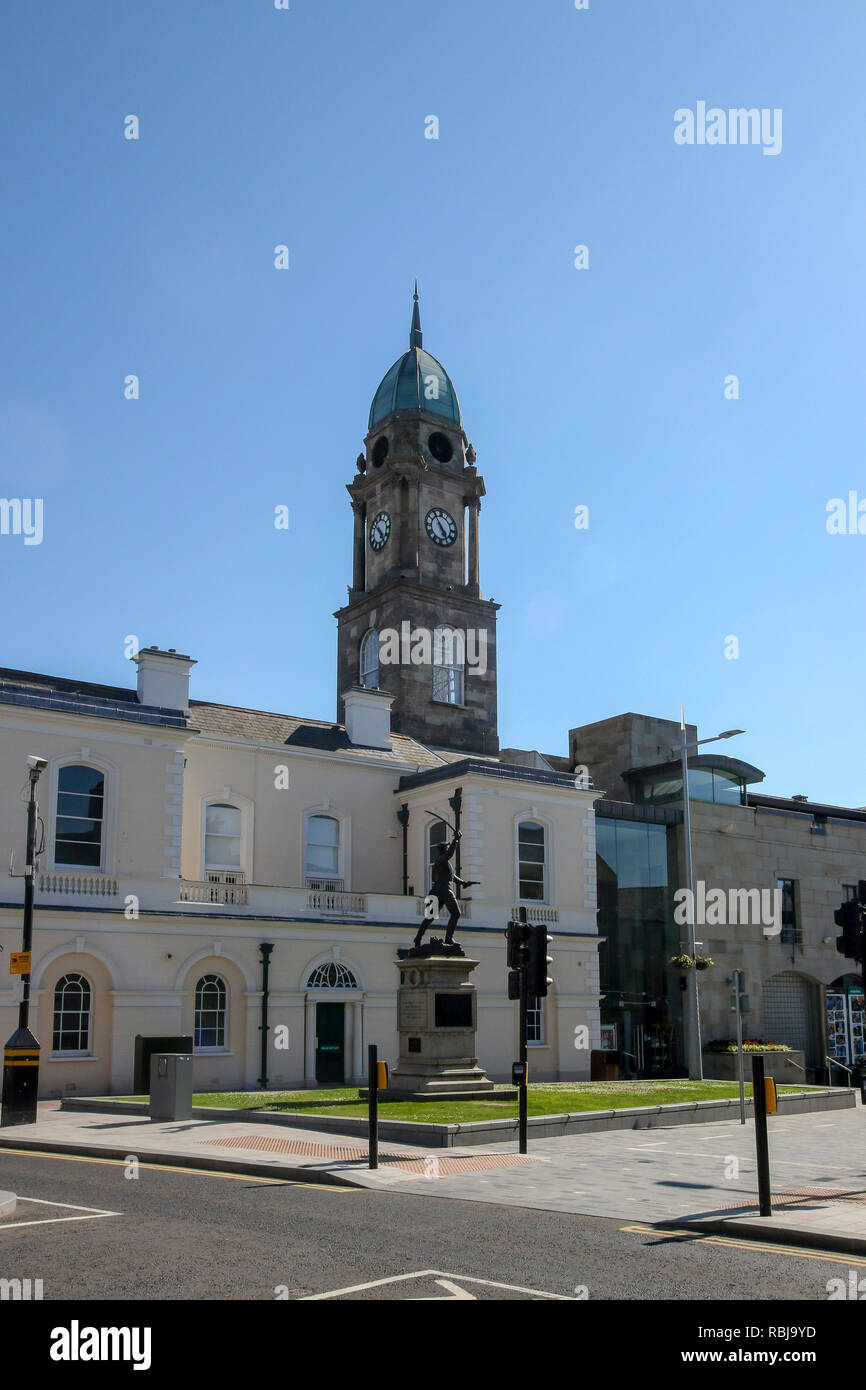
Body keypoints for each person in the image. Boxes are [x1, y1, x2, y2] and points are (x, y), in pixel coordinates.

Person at [414, 830, 467, 948]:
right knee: (456, 913)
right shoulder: (442, 859)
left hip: (437, 891)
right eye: (447, 848)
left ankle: (418, 938)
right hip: (445, 890)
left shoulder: (441, 862)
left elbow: (452, 876)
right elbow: (450, 854)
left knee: (430, 917)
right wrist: (456, 840)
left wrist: (463, 883)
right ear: (444, 849)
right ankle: (448, 939)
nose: (449, 849)